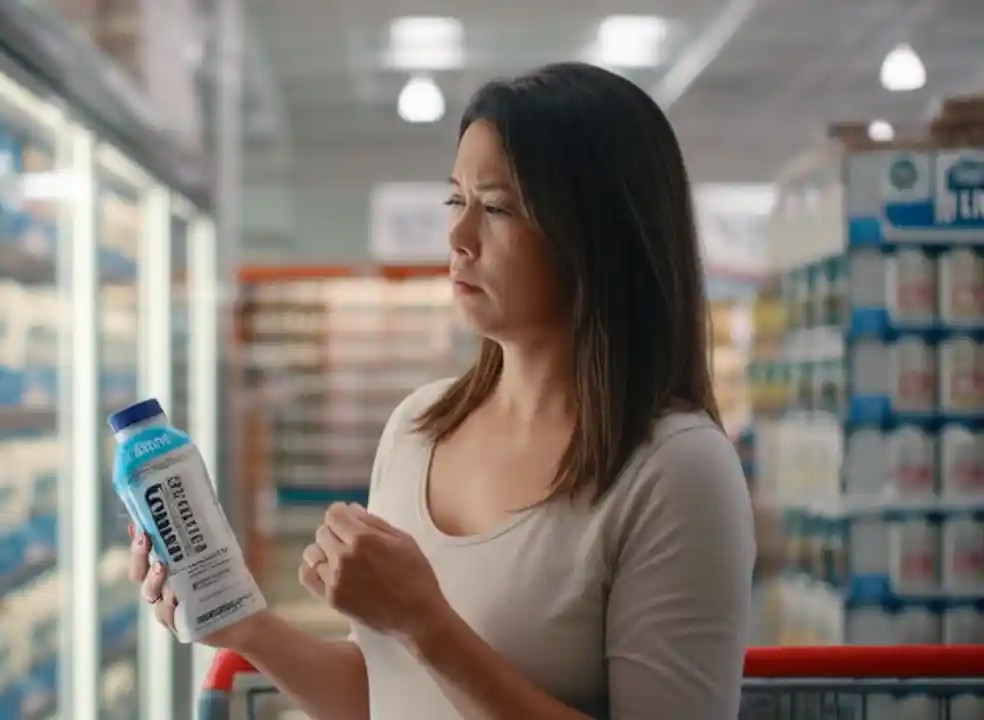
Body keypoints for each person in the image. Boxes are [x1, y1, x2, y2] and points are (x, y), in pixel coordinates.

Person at [129, 62, 755, 719]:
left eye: (497, 208)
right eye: (456, 200)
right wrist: (241, 623)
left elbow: (427, 650)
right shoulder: (417, 427)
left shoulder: (677, 469)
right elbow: (390, 696)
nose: (458, 239)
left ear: (599, 236)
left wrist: (425, 623)